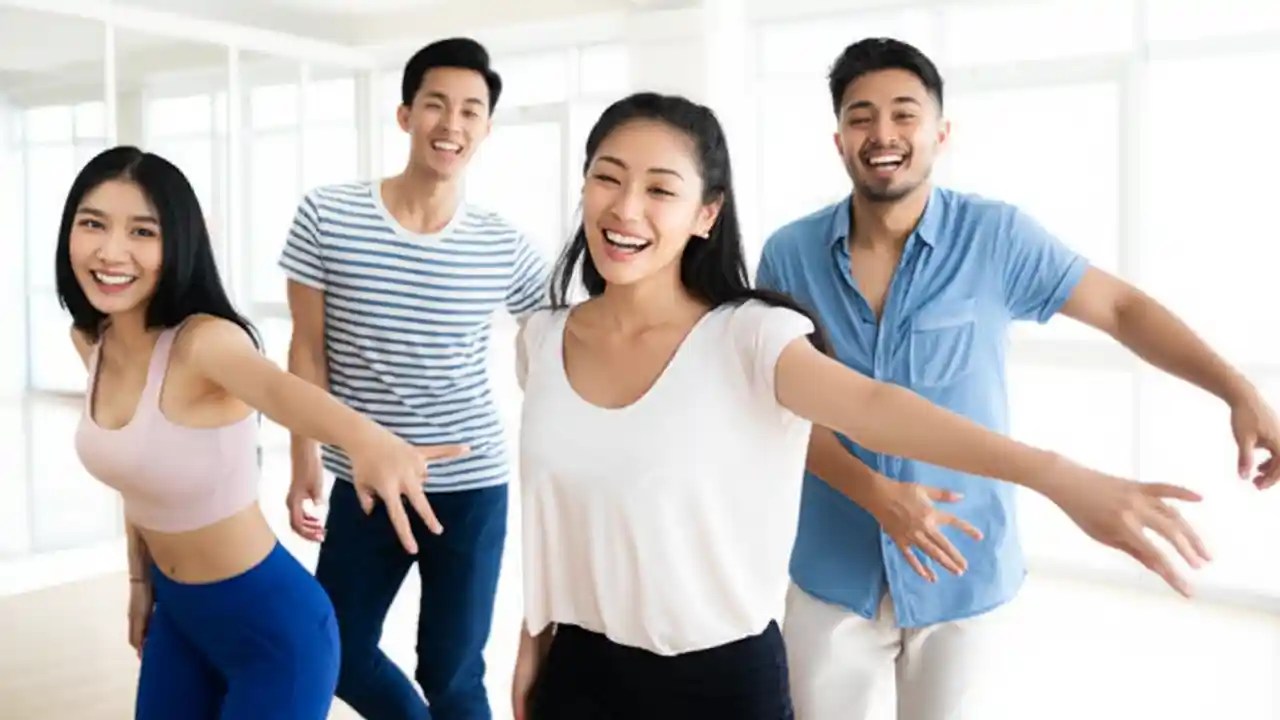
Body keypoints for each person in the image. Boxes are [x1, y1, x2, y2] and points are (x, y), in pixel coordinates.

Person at [508, 91, 1209, 720]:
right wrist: (534, 639)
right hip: (577, 676)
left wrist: (1056, 475)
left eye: (660, 189)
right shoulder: (541, 340)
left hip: (715, 683)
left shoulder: (746, 337)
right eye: (607, 177)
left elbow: (874, 405)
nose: (625, 209)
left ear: (706, 214)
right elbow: (561, 516)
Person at [755, 37, 1280, 720]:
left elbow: (1122, 309)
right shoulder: (788, 255)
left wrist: (1237, 390)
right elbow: (781, 408)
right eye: (861, 117)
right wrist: (875, 493)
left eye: (904, 114)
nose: (882, 134)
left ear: (941, 134)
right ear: (838, 140)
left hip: (966, 580)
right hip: (832, 577)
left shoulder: (996, 237)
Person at [60, 146, 464, 720]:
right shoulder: (93, 343)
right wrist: (139, 579)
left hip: (275, 630)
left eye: (142, 231)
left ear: (177, 244)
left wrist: (368, 439)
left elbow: (278, 391)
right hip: (178, 614)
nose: (111, 250)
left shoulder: (204, 342)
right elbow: (137, 475)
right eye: (92, 223)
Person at [278, 37, 548, 720]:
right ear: (404, 115)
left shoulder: (502, 243)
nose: (450, 125)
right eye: (435, 105)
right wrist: (301, 456)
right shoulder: (327, 216)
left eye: (470, 111)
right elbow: (306, 351)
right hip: (365, 483)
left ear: (485, 129)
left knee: (454, 671)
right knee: (334, 647)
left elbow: (559, 338)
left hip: (471, 486)